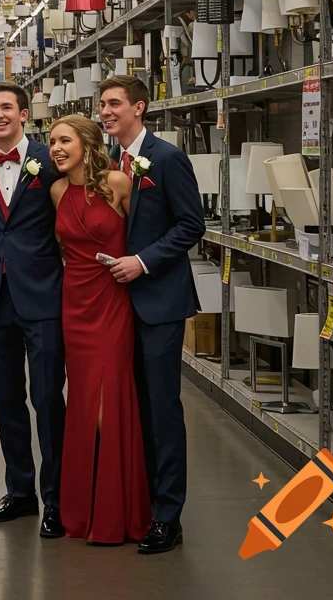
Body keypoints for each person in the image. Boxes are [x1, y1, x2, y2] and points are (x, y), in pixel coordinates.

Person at [98, 74, 205, 555]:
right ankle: (136, 503)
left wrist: (142, 261)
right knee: (128, 405)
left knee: (161, 407)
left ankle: (168, 515)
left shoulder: (166, 158)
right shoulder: (104, 164)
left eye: (115, 103)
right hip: (113, 303)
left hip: (159, 301)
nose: (106, 111)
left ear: (140, 108)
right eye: (102, 104)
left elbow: (191, 225)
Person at [48, 115, 152, 545]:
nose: (55, 148)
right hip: (75, 302)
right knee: (84, 401)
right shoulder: (56, 191)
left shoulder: (120, 184)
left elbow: (144, 238)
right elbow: (62, 249)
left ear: (88, 144)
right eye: (52, 141)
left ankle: (118, 512)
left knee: (110, 400)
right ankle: (83, 509)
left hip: (112, 300)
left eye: (64, 140)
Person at [0, 81, 66, 540]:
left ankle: (58, 499)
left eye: (6, 107)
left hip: (43, 295)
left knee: (48, 399)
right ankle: (20, 492)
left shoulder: (52, 161)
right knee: (6, 400)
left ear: (24, 114)